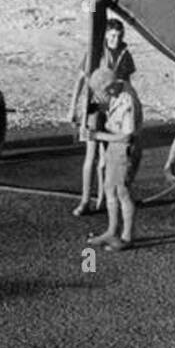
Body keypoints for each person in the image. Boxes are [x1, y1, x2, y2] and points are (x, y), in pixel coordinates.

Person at [69, 17, 137, 217]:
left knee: (109, 157)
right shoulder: (95, 51)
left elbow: (127, 85)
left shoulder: (125, 55)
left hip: (114, 110)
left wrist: (131, 107)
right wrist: (73, 107)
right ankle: (85, 200)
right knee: (91, 156)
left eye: (119, 35)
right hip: (94, 108)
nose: (116, 39)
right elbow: (81, 80)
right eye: (113, 35)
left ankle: (104, 199)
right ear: (106, 35)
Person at [85, 69, 143, 252]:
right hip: (114, 146)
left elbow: (126, 136)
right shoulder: (118, 88)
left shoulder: (127, 100)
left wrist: (97, 135)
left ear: (109, 87)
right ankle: (112, 231)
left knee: (122, 192)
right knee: (109, 188)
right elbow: (108, 107)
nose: (101, 97)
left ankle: (127, 236)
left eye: (101, 93)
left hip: (125, 149)